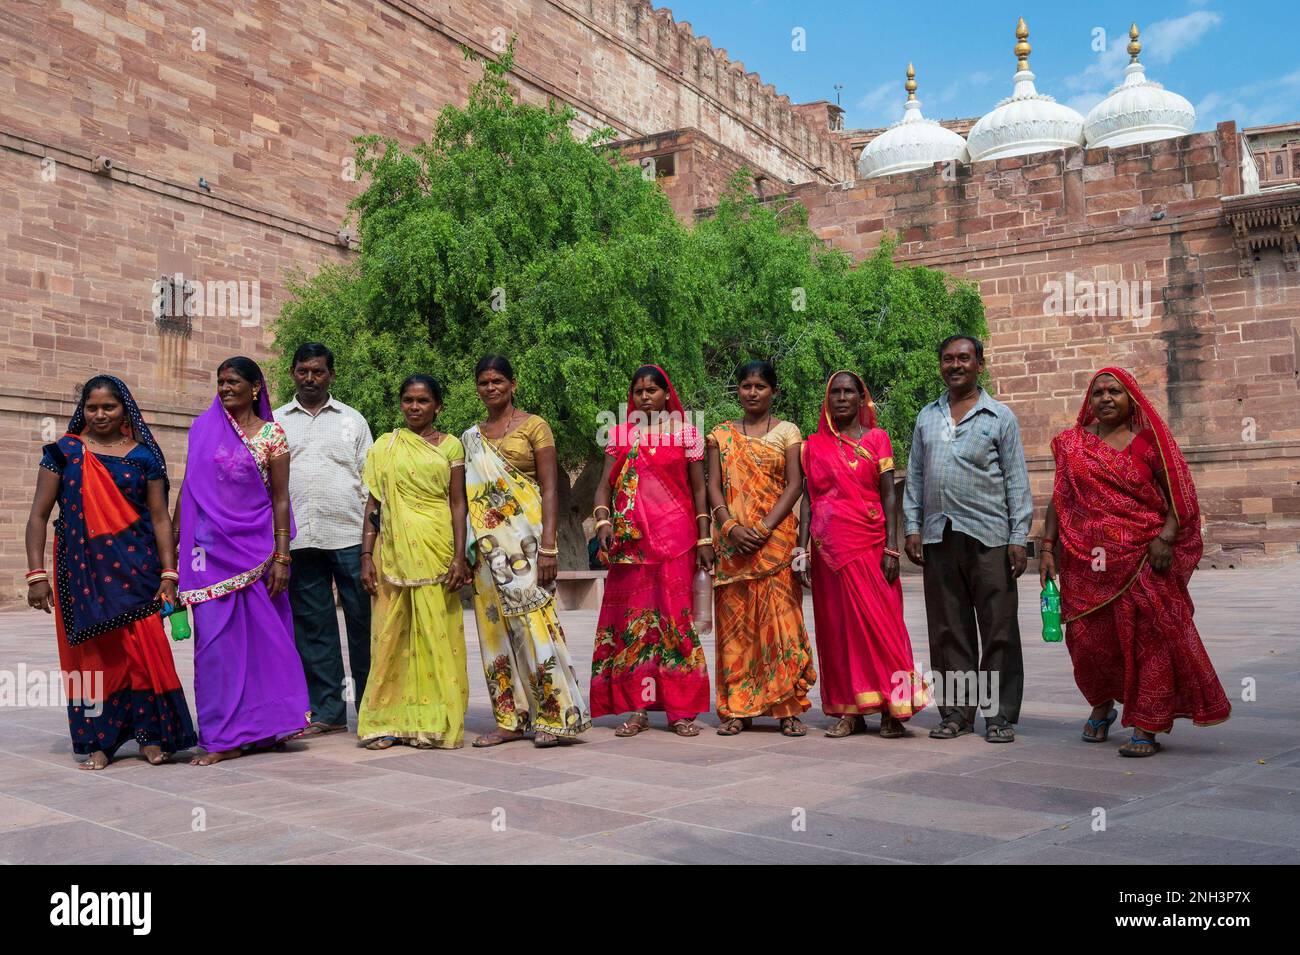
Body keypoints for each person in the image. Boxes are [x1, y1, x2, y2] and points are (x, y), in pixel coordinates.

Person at [1040, 367, 1231, 756]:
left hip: (1142, 559)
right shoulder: (1072, 444)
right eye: (1098, 393)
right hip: (1083, 563)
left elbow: (1181, 498)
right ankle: (1102, 704)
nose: (1106, 398)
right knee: (1090, 642)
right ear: (1088, 402)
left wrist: (1166, 537)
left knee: (1149, 640)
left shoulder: (1149, 444)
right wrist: (1046, 547)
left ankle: (1147, 723)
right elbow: (1060, 499)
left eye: (1115, 391)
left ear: (1132, 399)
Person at [25, 375, 198, 769]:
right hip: (80, 570)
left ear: (125, 410)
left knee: (144, 649)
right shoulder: (64, 452)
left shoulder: (144, 457)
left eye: (109, 407)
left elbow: (158, 519)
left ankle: (152, 737)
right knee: (93, 656)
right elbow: (37, 516)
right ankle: (96, 742)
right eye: (92, 407)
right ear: (81, 410)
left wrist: (170, 574)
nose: (100, 414)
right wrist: (36, 575)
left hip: (137, 567)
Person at [176, 357, 310, 765]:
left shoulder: (272, 436)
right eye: (220, 382)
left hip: (258, 555)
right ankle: (221, 737)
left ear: (255, 388)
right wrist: (174, 553)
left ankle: (265, 728)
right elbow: (188, 489)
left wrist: (282, 557)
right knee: (214, 650)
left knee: (265, 646)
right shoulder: (203, 430)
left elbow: (281, 498)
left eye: (233, 381)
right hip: (208, 557)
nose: (225, 388)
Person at [903, 335, 1031, 743]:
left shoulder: (999, 417)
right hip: (940, 537)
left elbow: (1015, 480)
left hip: (989, 536)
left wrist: (1018, 536)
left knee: (998, 629)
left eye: (963, 358)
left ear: (979, 364)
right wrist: (912, 527)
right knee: (948, 630)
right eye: (947, 359)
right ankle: (956, 713)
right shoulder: (927, 416)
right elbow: (917, 477)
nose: (955, 365)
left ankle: (998, 716)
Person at [463, 355, 590, 748]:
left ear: (513, 384)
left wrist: (550, 548)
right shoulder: (471, 438)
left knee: (535, 627)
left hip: (528, 545)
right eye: (484, 382)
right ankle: (510, 718)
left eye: (498, 381)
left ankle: (555, 715)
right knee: (494, 634)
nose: (491, 388)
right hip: (488, 553)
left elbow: (551, 489)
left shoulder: (535, 427)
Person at [799, 371, 927, 738]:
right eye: (835, 392)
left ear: (861, 398)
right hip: (828, 552)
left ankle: (892, 708)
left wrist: (891, 545)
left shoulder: (877, 439)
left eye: (848, 392)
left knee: (881, 624)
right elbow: (809, 499)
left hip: (871, 545)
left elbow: (888, 495)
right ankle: (849, 710)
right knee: (838, 629)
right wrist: (802, 548)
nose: (841, 398)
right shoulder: (813, 446)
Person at [591, 365, 713, 737]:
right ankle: (637, 709)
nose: (644, 397)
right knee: (634, 627)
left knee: (675, 623)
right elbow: (602, 489)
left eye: (652, 391)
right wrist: (603, 523)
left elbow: (699, 491)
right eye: (638, 391)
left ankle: (681, 710)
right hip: (631, 546)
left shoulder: (686, 434)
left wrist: (706, 538)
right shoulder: (619, 436)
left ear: (666, 394)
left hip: (676, 542)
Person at [358, 374, 473, 750]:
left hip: (436, 548)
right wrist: (365, 556)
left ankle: (434, 722)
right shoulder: (385, 446)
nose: (414, 407)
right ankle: (385, 722)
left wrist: (460, 556)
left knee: (434, 634)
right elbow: (373, 507)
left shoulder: (452, 447)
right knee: (390, 638)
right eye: (408, 400)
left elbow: (458, 503)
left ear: (437, 406)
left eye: (423, 401)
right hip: (390, 551)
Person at [706, 360, 815, 737]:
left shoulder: (788, 432)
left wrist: (765, 527)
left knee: (781, 623)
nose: (752, 392)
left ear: (774, 392)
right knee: (736, 629)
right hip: (733, 544)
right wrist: (730, 526)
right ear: (737, 390)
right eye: (745, 386)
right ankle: (737, 708)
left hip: (776, 541)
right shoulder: (720, 435)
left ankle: (786, 707)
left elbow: (795, 485)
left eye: (760, 386)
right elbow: (713, 487)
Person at [276, 343, 374, 737]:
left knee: (363, 624)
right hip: (300, 539)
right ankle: (328, 712)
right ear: (292, 373)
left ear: (331, 374)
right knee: (313, 627)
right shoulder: (276, 421)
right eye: (303, 371)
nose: (310, 378)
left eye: (318, 371)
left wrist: (372, 544)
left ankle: (371, 708)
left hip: (350, 536)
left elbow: (372, 485)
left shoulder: (353, 421)